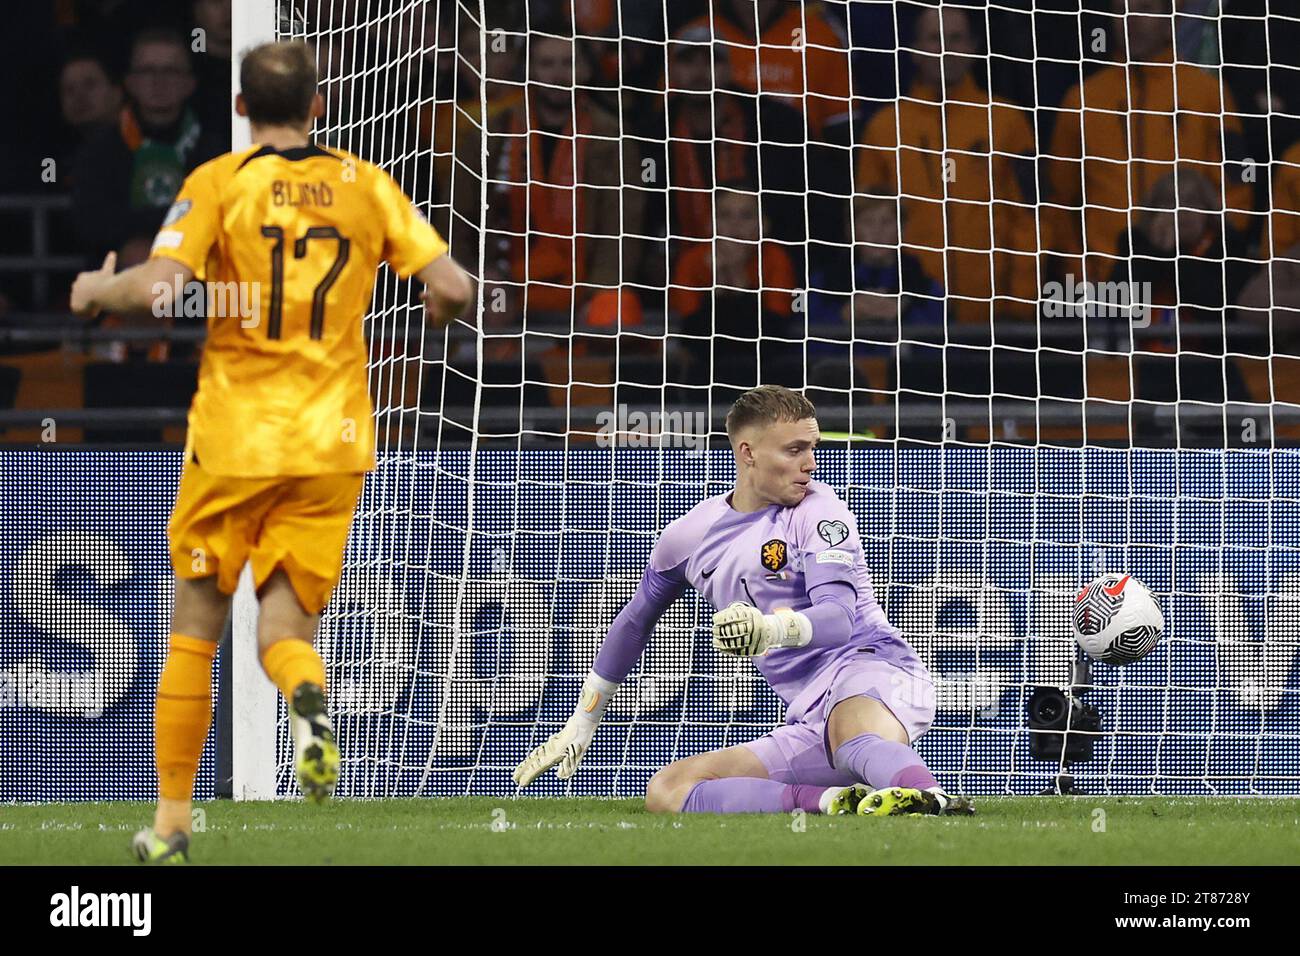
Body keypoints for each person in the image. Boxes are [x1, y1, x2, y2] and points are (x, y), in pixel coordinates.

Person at [69, 40, 474, 863]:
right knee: (284, 622)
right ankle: (304, 692)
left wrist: (92, 292)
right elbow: (456, 288)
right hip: (331, 441)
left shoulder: (220, 180)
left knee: (196, 627)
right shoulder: (367, 185)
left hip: (234, 436)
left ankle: (174, 825)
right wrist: (432, 315)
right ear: (318, 105)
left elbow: (157, 291)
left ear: (242, 107)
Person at [513, 385, 973, 819]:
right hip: (809, 713)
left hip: (873, 669)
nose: (810, 463)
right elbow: (634, 623)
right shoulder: (693, 535)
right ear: (748, 453)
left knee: (853, 734)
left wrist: (769, 630)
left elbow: (837, 619)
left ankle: (930, 800)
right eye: (794, 450)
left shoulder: (820, 511)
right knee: (669, 790)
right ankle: (837, 801)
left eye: (812, 448)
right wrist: (582, 722)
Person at [71, 27, 226, 257]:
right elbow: (90, 225)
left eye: (170, 71)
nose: (158, 81)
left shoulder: (215, 150)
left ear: (189, 83)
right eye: (147, 71)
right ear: (130, 82)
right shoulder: (99, 151)